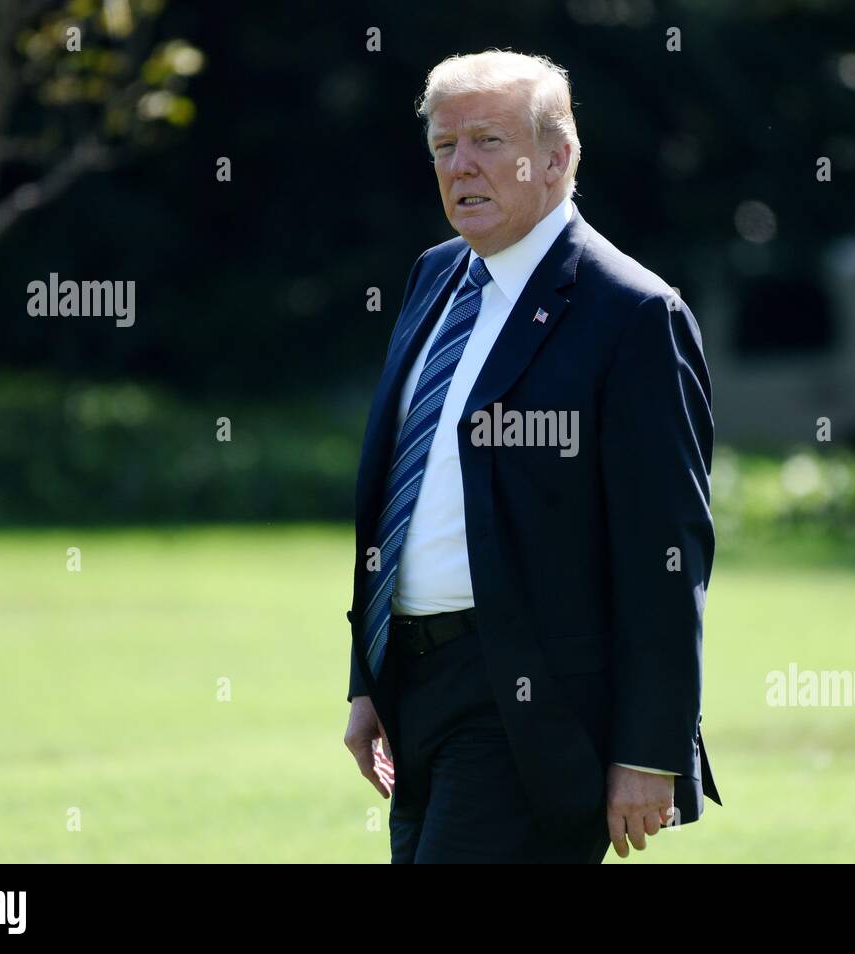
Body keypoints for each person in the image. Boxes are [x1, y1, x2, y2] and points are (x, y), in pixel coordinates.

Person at [342, 49, 720, 863]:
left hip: (532, 707)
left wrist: (651, 750)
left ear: (558, 157)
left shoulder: (633, 314)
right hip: (414, 692)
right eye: (444, 146)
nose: (461, 166)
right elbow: (398, 494)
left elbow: (668, 552)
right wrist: (367, 676)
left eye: (486, 140)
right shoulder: (435, 277)